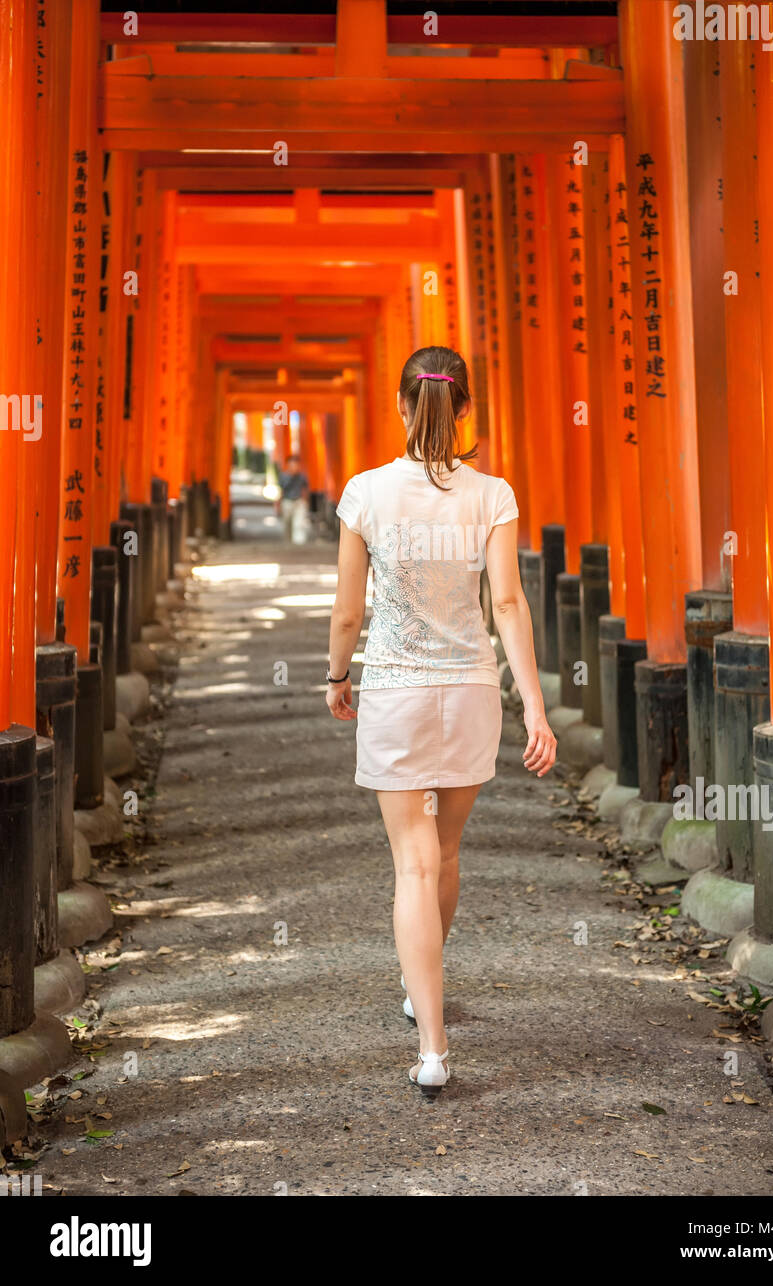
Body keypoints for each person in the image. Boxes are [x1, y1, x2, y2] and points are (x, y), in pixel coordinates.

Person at [325, 345, 556, 1094]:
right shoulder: (492, 494)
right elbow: (509, 604)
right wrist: (535, 707)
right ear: (464, 410)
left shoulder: (364, 493)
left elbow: (348, 611)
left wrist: (336, 676)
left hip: (393, 691)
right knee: (445, 858)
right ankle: (422, 986)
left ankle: (433, 1045)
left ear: (400, 405)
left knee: (411, 866)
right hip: (469, 692)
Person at [279, 455, 309, 544]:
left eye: (296, 465)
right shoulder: (283, 476)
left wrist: (305, 502)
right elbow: (281, 490)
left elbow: (304, 490)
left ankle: (298, 543)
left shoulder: (302, 477)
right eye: (292, 465)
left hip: (298, 501)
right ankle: (288, 542)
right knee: (287, 523)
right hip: (287, 502)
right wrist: (277, 504)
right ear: (288, 465)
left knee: (299, 524)